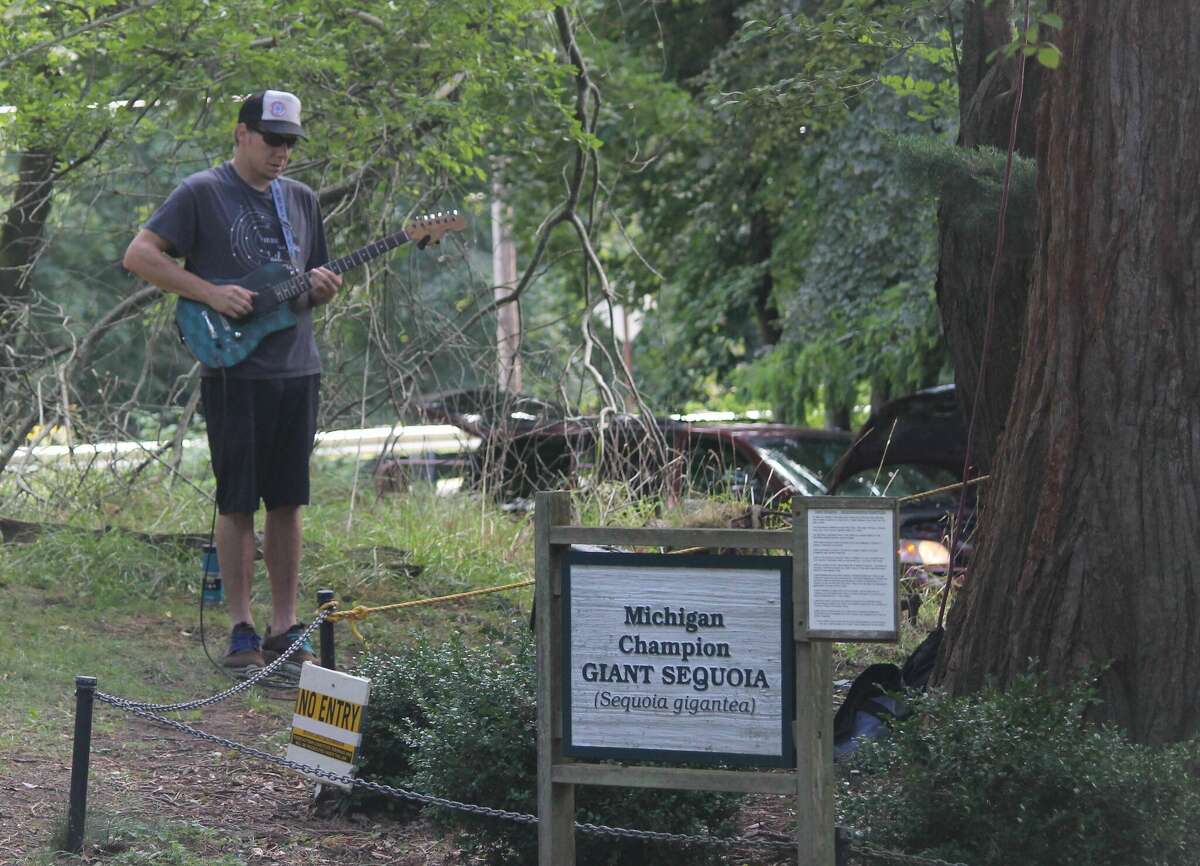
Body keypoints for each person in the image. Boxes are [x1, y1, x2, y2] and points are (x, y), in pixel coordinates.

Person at [123, 89, 341, 674]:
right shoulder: (201, 192)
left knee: (290, 501)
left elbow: (306, 281)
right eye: (273, 141)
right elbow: (139, 255)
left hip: (298, 368)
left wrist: (322, 290)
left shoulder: (301, 200)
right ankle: (242, 628)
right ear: (242, 133)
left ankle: (284, 627)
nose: (282, 154)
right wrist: (210, 291)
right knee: (238, 498)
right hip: (233, 370)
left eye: (291, 144)